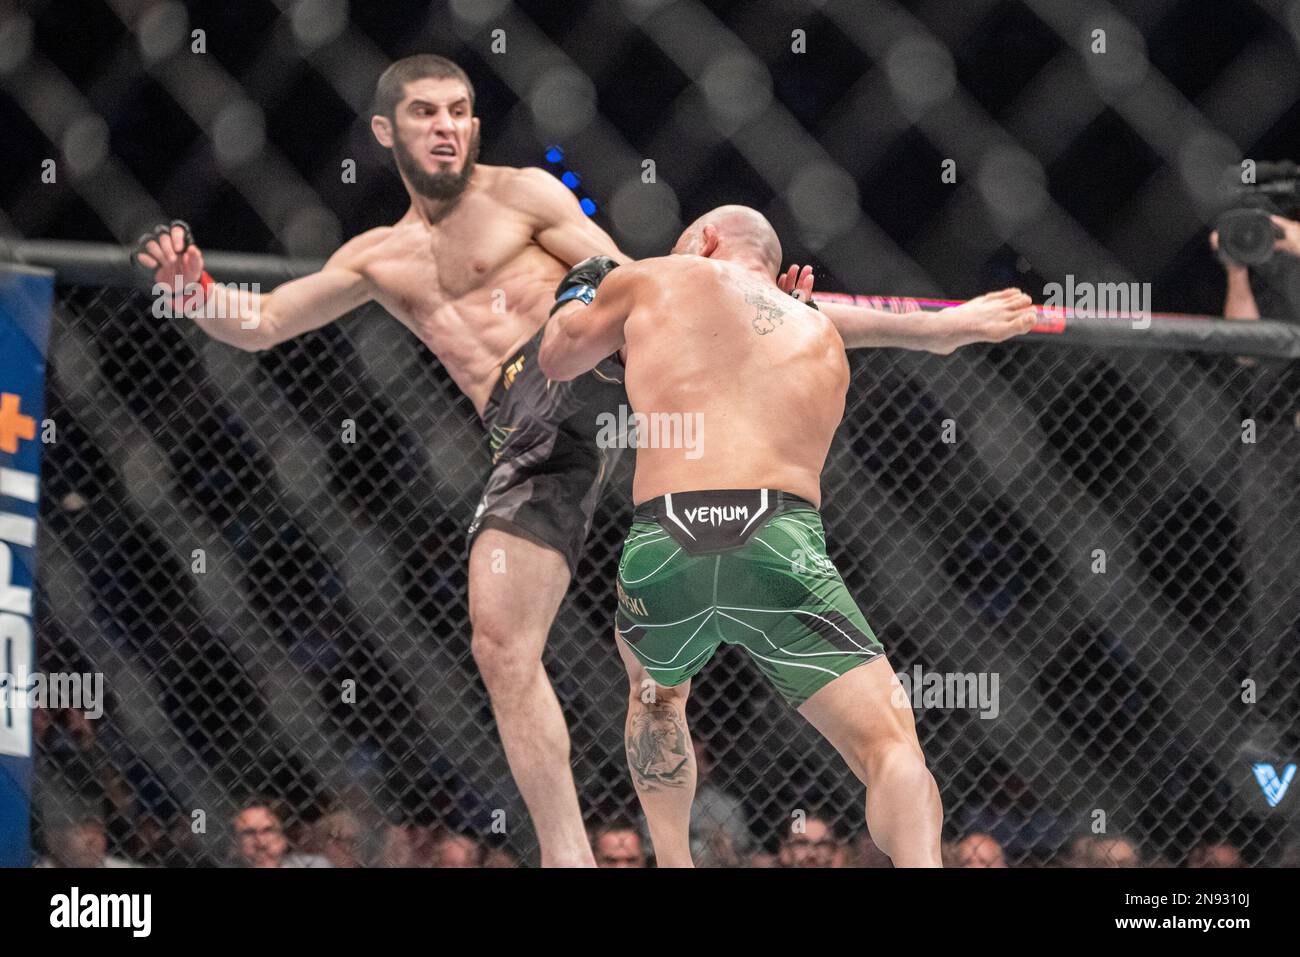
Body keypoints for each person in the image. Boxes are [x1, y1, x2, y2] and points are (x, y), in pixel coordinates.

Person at [135, 55, 1034, 867]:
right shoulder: (376, 256)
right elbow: (262, 323)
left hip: (588, 367)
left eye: (459, 110)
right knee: (499, 638)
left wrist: (744, 298)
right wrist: (197, 294)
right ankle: (570, 856)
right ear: (385, 132)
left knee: (687, 324)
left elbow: (625, 274)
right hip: (528, 432)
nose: (446, 126)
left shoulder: (524, 193)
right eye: (424, 113)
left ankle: (933, 331)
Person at [538, 206, 1027, 866]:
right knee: (890, 747)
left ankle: (674, 863)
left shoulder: (656, 277)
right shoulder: (816, 326)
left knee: (656, 699)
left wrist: (581, 286)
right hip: (777, 538)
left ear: (704, 241)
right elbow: (876, 327)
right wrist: (948, 325)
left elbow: (559, 355)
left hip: (668, 535)